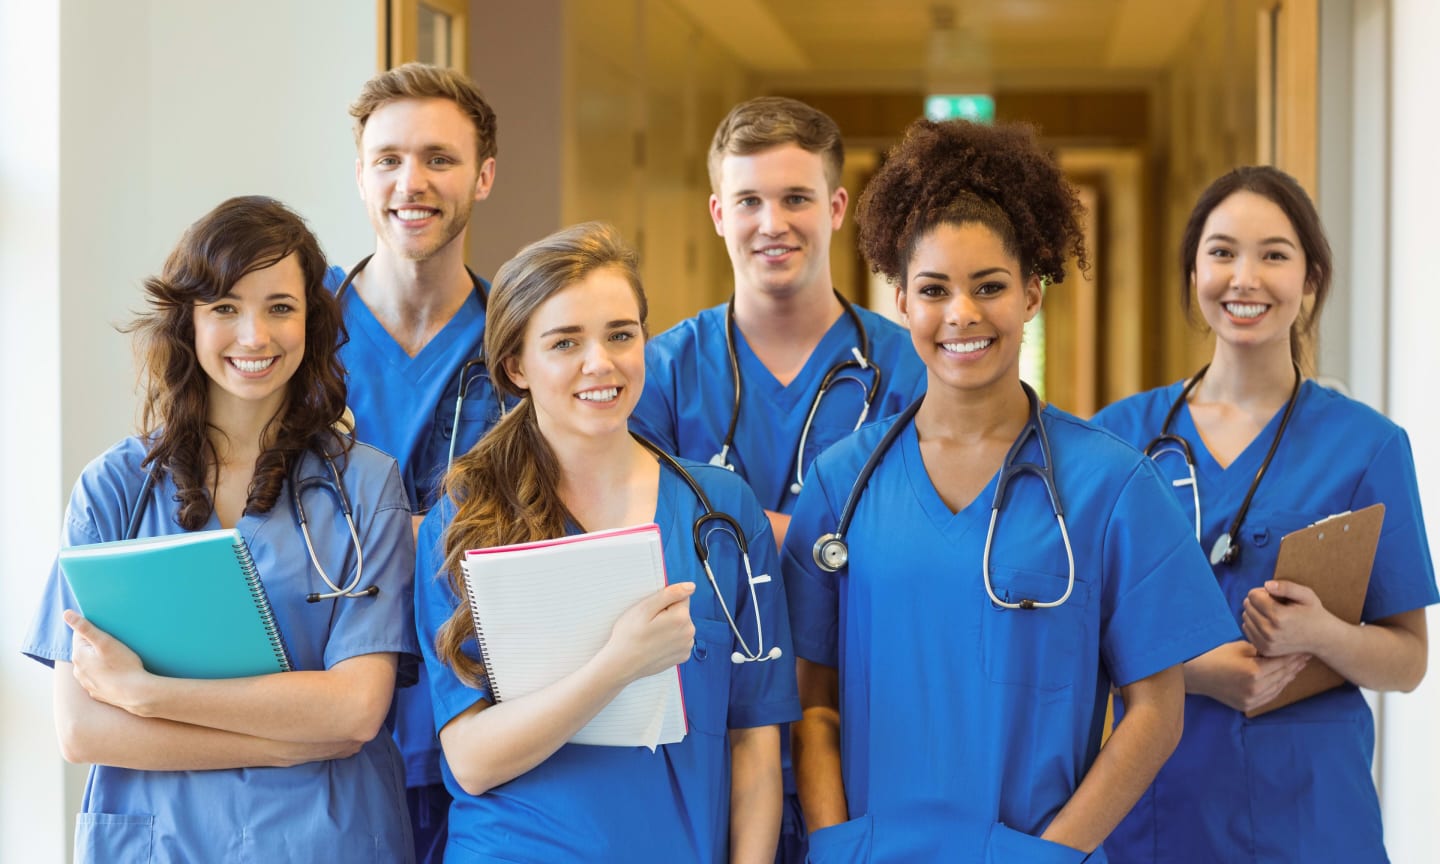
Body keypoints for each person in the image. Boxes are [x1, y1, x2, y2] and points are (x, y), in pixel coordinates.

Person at [782, 119, 1239, 862]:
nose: (961, 314)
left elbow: (1156, 711)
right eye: (934, 289)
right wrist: (837, 846)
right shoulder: (843, 482)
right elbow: (814, 701)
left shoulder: (1111, 486)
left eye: (989, 286)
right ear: (900, 299)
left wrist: (1050, 856)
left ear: (1031, 293)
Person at [21, 197, 418, 862]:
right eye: (225, 307)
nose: (254, 336)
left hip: (326, 839)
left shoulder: (364, 485)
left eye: (280, 307)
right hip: (160, 840)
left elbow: (355, 710)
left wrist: (149, 696)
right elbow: (83, 729)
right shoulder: (113, 489)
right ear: (189, 320)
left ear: (311, 323)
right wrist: (297, 739)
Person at [415, 222, 800, 862]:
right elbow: (472, 760)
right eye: (565, 342)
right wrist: (618, 664)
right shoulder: (464, 523)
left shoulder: (723, 513)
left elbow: (755, 742)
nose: (601, 362)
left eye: (621, 334)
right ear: (517, 366)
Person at [1091, 165, 1437, 863]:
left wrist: (1323, 633)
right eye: (1221, 252)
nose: (1243, 278)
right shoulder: (1118, 439)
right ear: (1193, 271)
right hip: (1157, 805)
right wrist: (1201, 671)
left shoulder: (1368, 447)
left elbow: (1408, 660)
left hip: (1310, 812)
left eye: (1273, 254)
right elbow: (1074, 628)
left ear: (1310, 279)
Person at [630, 96, 927, 861]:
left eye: (796, 198)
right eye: (749, 201)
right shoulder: (660, 372)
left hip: (869, 717)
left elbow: (922, 549)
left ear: (835, 207)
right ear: (717, 213)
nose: (773, 223)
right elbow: (641, 549)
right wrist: (824, 541)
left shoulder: (906, 369)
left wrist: (745, 532)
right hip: (710, 730)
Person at [336, 62, 502, 859]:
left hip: (481, 729)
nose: (414, 182)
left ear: (484, 175)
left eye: (440, 158)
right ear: (361, 176)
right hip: (332, 742)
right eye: (389, 159)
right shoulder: (295, 338)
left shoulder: (525, 344)